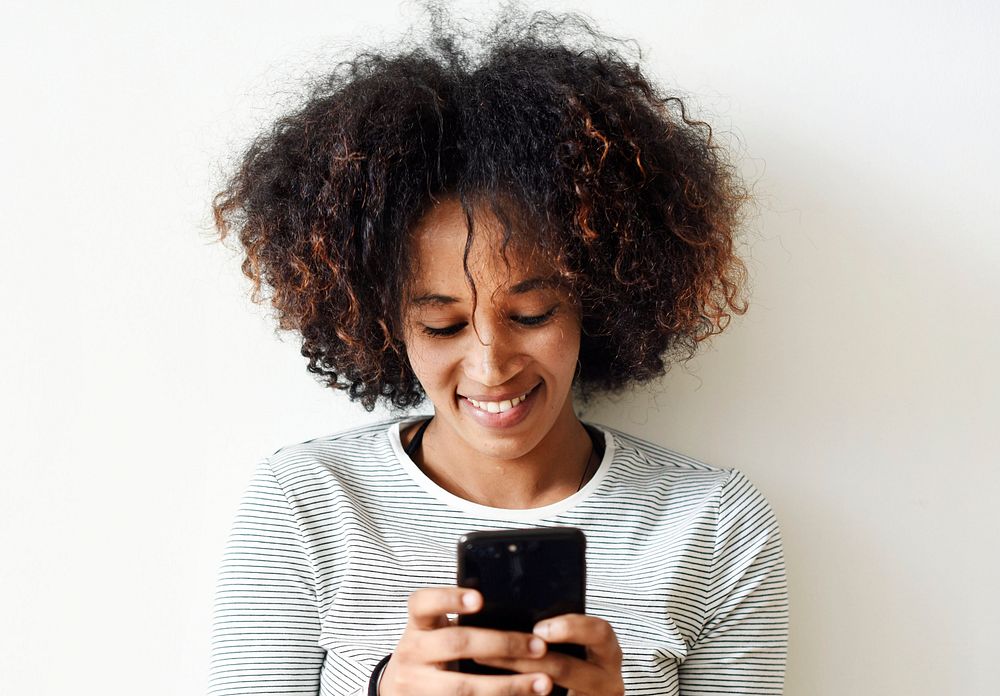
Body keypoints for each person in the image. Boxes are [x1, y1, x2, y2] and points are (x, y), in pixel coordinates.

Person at [207, 8, 788, 696]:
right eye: (443, 325)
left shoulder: (713, 524)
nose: (490, 366)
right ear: (385, 323)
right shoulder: (308, 504)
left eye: (532, 313)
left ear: (595, 301)